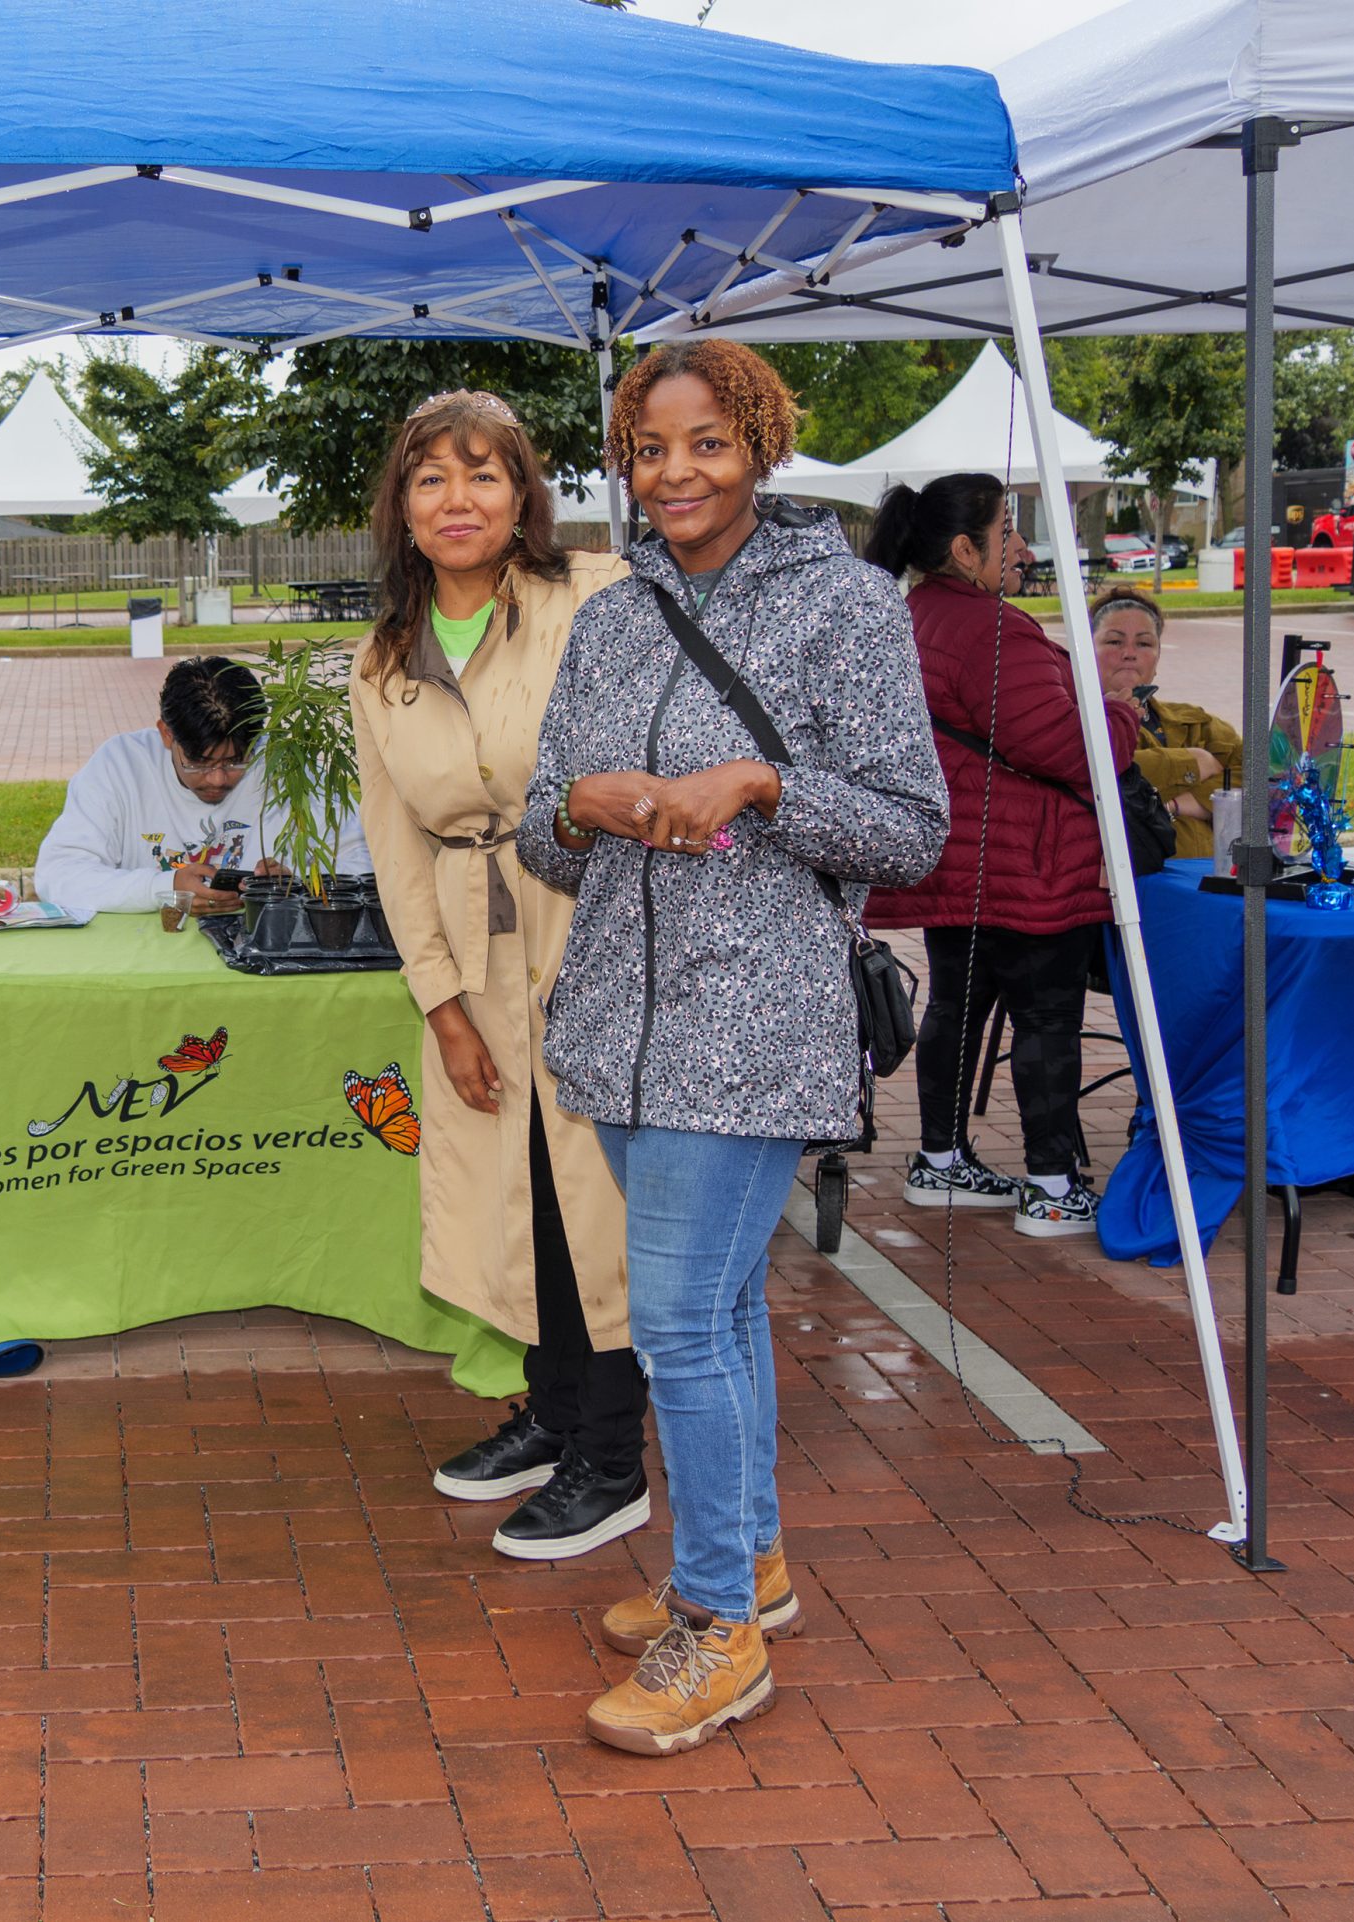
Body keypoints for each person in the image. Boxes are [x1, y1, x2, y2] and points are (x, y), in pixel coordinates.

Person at [520, 341, 947, 1755]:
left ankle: (722, 1629)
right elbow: (543, 830)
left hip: (754, 1020)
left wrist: (760, 782)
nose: (677, 473)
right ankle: (749, 1555)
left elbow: (911, 826)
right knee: (724, 1308)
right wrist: (586, 806)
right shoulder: (615, 613)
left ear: (759, 442)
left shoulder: (846, 604)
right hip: (626, 1025)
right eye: (650, 447)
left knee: (681, 1321)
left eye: (707, 442)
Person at [347, 389, 645, 1562]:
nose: (456, 499)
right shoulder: (383, 660)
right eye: (430, 479)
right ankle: (554, 1407)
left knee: (594, 1200)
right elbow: (396, 842)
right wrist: (442, 1002)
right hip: (473, 946)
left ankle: (611, 1457)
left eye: (483, 474)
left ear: (523, 495)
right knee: (510, 1191)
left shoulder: (592, 597)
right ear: (402, 510)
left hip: (595, 919)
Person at [863, 475, 1143, 1238]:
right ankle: (1052, 1186)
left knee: (957, 1005)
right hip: (1027, 860)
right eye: (1007, 531)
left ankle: (941, 1158)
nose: (1020, 547)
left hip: (961, 854)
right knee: (1045, 1020)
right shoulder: (991, 629)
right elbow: (1062, 746)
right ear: (964, 549)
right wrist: (1122, 713)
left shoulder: (911, 616)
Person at [33, 655, 371, 921]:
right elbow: (58, 875)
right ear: (166, 734)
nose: (217, 779)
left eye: (236, 761)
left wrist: (296, 885)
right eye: (198, 762)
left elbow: (366, 863)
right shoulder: (119, 766)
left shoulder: (288, 765)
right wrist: (165, 888)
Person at [1092, 588, 1240, 860]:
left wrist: (1177, 805)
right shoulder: (1072, 722)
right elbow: (1097, 775)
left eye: (1144, 643)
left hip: (1206, 885)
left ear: (1158, 657)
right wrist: (1197, 762)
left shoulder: (1196, 723)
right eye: (1114, 642)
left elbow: (1260, 778)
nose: (1129, 653)